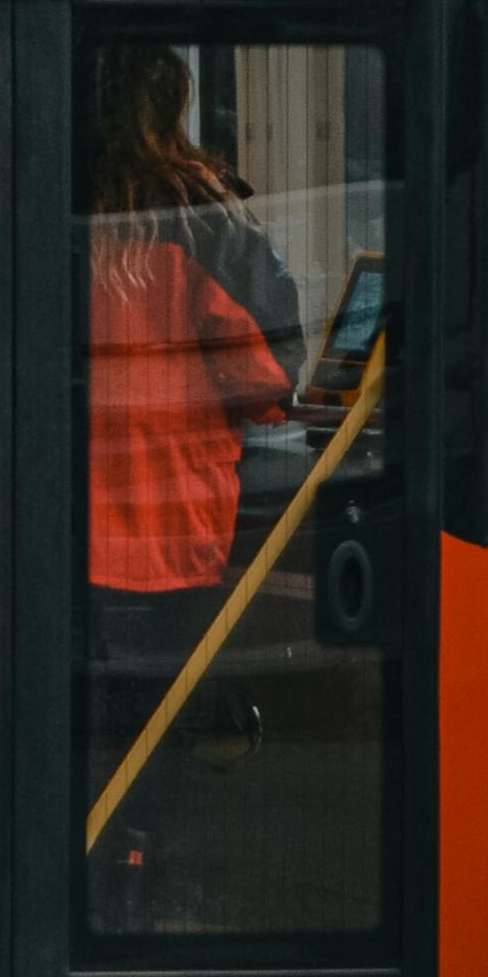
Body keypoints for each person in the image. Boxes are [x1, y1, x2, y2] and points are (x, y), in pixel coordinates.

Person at [84, 45, 304, 619]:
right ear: (175, 108)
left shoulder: (37, 203)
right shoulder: (205, 215)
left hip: (57, 520)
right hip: (176, 513)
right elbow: (268, 374)